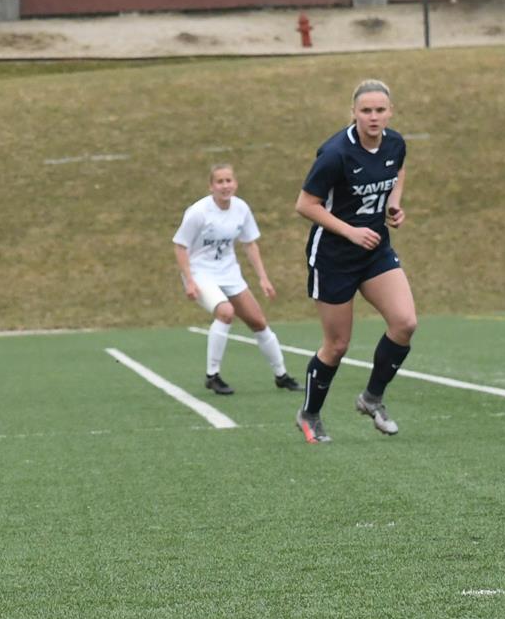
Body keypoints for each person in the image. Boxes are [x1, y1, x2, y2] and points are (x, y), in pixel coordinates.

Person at [294, 79, 419, 443]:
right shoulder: (336, 153)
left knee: (405, 323)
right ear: (354, 113)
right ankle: (309, 413)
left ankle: (371, 399)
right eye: (366, 111)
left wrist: (393, 204)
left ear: (390, 112)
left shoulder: (395, 143)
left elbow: (398, 170)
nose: (373, 117)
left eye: (380, 110)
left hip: (375, 250)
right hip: (333, 256)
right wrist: (349, 231)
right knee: (337, 345)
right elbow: (305, 205)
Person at [173, 164, 296, 396]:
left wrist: (263, 279)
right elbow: (180, 246)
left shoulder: (241, 208)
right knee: (226, 312)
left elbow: (249, 244)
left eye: (228, 180)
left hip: (229, 273)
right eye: (219, 181)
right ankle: (212, 375)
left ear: (235, 183)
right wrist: (189, 280)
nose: (225, 186)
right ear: (211, 186)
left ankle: (282, 375)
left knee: (258, 322)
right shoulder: (198, 212)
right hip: (201, 273)